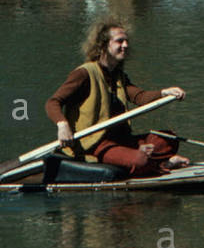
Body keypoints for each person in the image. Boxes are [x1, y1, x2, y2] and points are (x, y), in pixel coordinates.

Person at [45, 18, 188, 177]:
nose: (125, 45)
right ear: (103, 45)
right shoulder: (84, 74)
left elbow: (139, 97)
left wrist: (164, 93)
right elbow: (53, 102)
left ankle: (151, 161)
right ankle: (161, 163)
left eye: (126, 41)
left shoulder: (118, 75)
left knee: (169, 138)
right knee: (140, 160)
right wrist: (62, 125)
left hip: (120, 140)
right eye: (120, 41)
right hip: (96, 144)